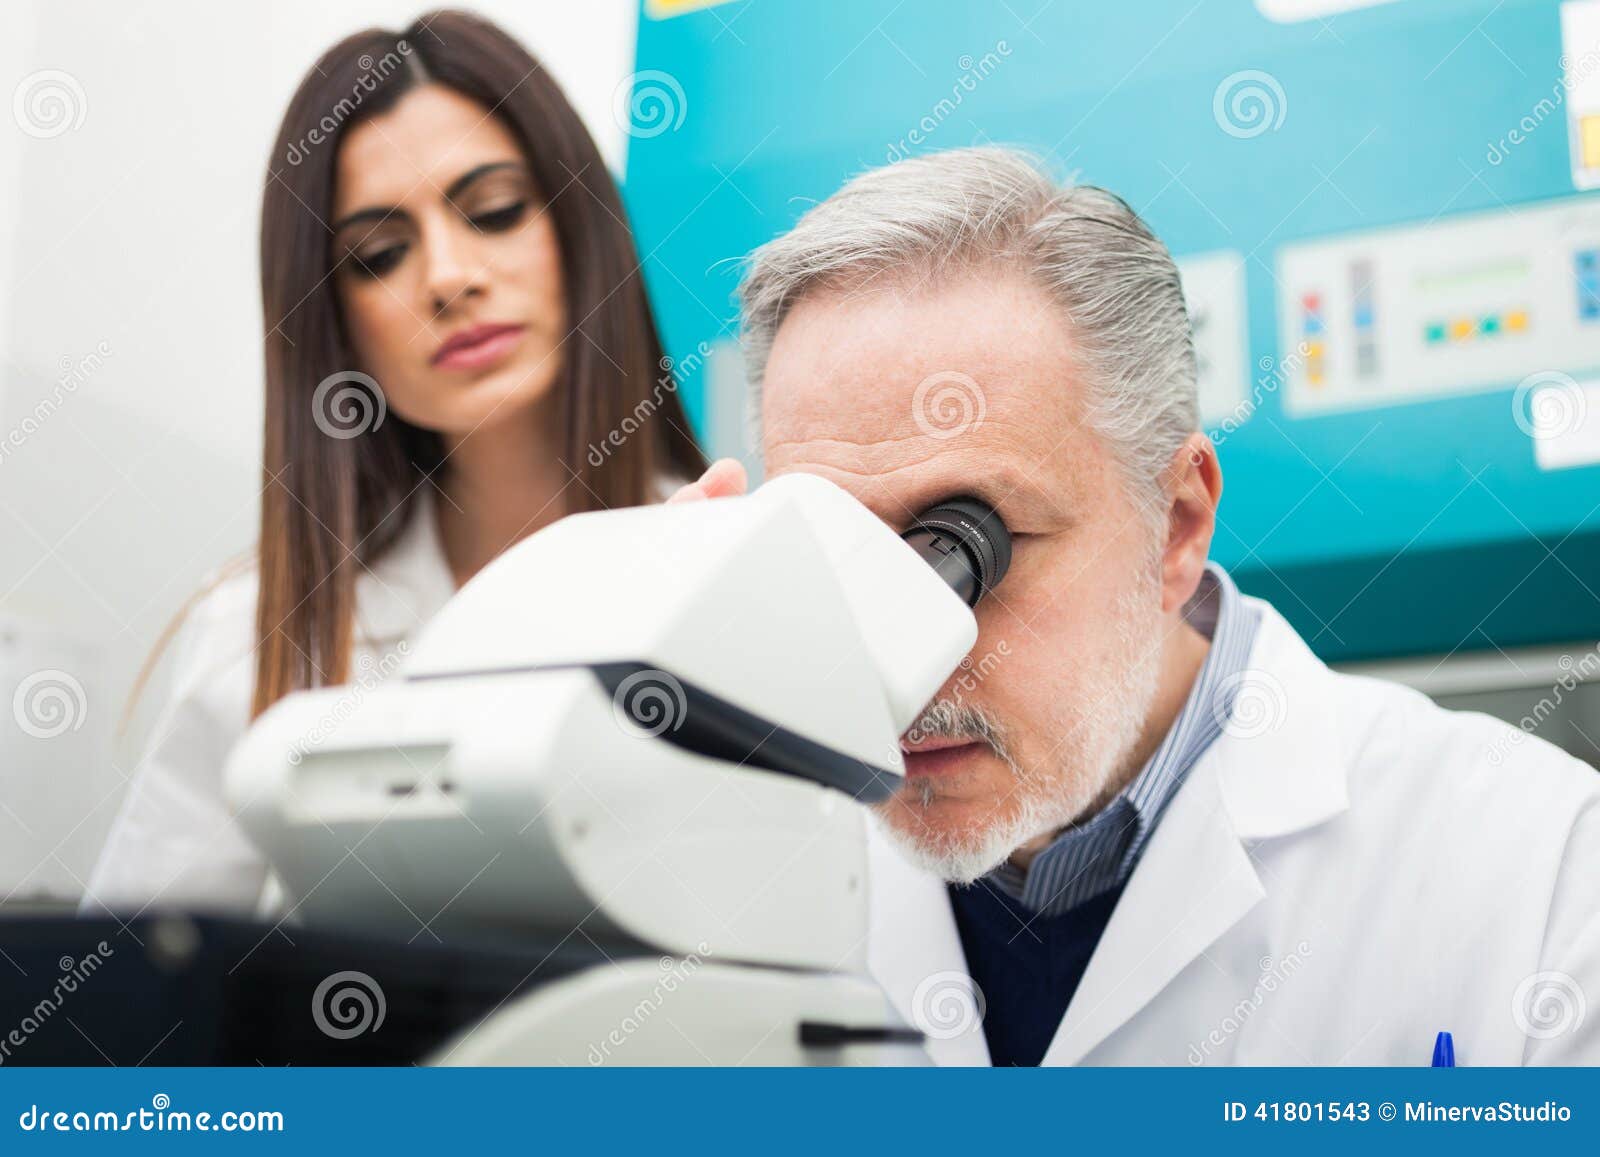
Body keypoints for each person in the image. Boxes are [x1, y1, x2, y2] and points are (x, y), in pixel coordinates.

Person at [673, 146, 1600, 1065]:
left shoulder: (1540, 875)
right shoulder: (728, 866)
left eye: (955, 551)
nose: (893, 653)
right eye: (837, 548)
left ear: (1176, 525)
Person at [84, 10, 705, 917]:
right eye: (379, 255)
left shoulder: (727, 571)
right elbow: (131, 1016)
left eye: (492, 211)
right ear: (338, 328)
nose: (448, 278)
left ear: (580, 228)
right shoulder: (258, 638)